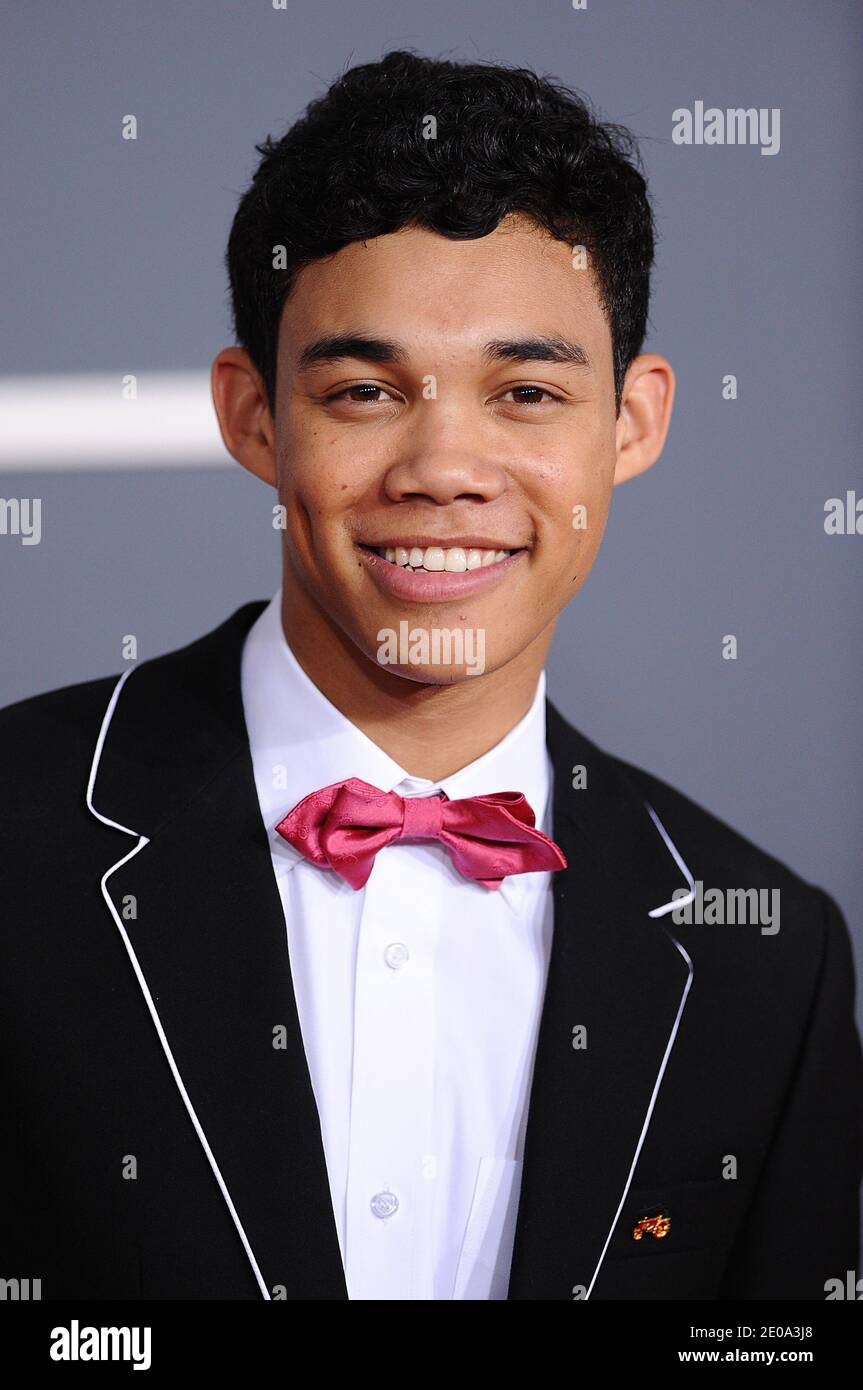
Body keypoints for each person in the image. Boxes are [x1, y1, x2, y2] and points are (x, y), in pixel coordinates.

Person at [2, 50, 861, 1301]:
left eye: (523, 391)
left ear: (630, 422)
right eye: (363, 390)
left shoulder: (766, 958)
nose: (444, 466)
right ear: (252, 417)